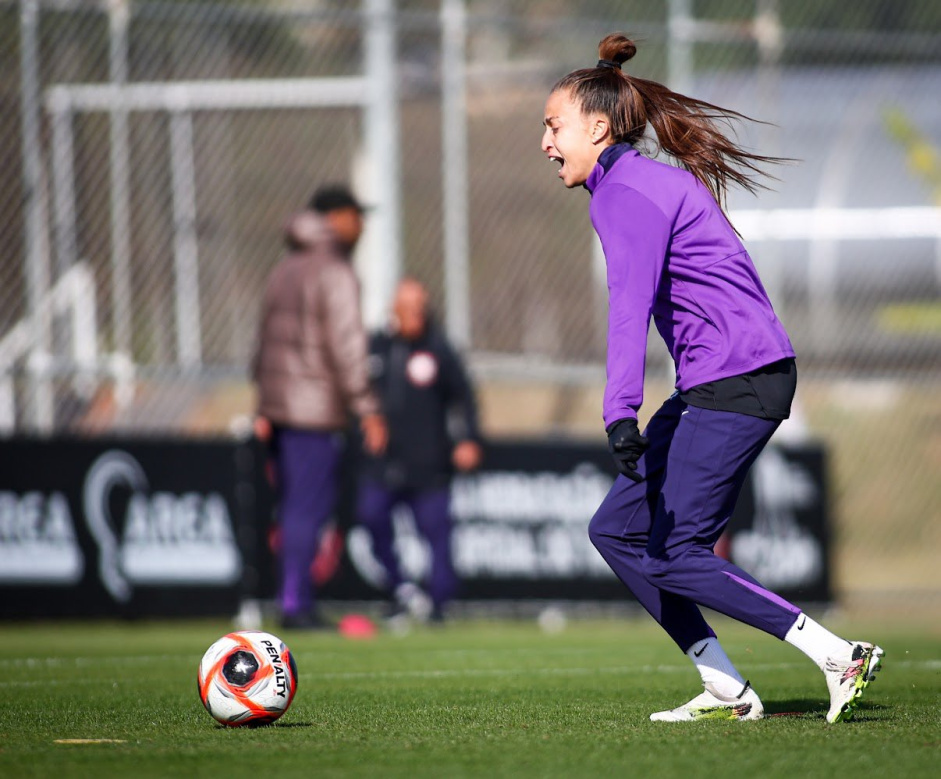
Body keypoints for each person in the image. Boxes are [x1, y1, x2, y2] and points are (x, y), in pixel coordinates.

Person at [540, 33, 883, 723]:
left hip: (739, 378)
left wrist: (618, 410)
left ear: (598, 127)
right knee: (615, 529)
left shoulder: (624, 192)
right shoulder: (633, 181)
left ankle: (836, 653)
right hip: (719, 379)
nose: (545, 142)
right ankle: (725, 685)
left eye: (553, 127)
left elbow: (627, 307)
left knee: (675, 552)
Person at [252, 185, 387, 630]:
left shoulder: (284, 268)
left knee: (293, 507)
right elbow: (348, 348)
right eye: (356, 215)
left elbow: (263, 345)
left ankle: (295, 598)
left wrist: (264, 406)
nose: (362, 225)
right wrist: (367, 408)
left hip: (280, 411)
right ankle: (295, 604)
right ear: (336, 217)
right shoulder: (335, 270)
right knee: (307, 510)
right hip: (314, 411)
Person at [355, 278, 483, 624]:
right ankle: (401, 589)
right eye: (407, 307)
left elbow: (464, 397)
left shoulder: (439, 348)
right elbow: (357, 391)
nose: (414, 314)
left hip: (429, 461)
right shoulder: (375, 347)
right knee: (371, 516)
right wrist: (368, 419)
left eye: (419, 307)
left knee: (437, 533)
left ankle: (440, 604)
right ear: (393, 309)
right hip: (383, 462)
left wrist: (468, 439)